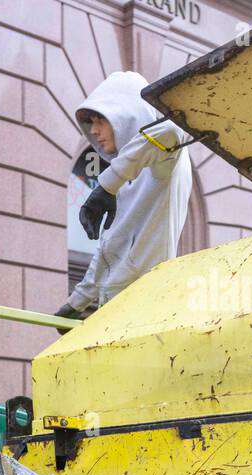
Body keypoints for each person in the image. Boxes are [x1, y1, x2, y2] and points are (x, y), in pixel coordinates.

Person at [55, 71, 192, 328]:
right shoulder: (129, 174)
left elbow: (175, 128)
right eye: (91, 122)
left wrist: (107, 186)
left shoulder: (167, 160)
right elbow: (113, 243)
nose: (93, 130)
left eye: (101, 119)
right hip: (118, 305)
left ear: (128, 114)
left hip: (148, 303)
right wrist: (77, 302)